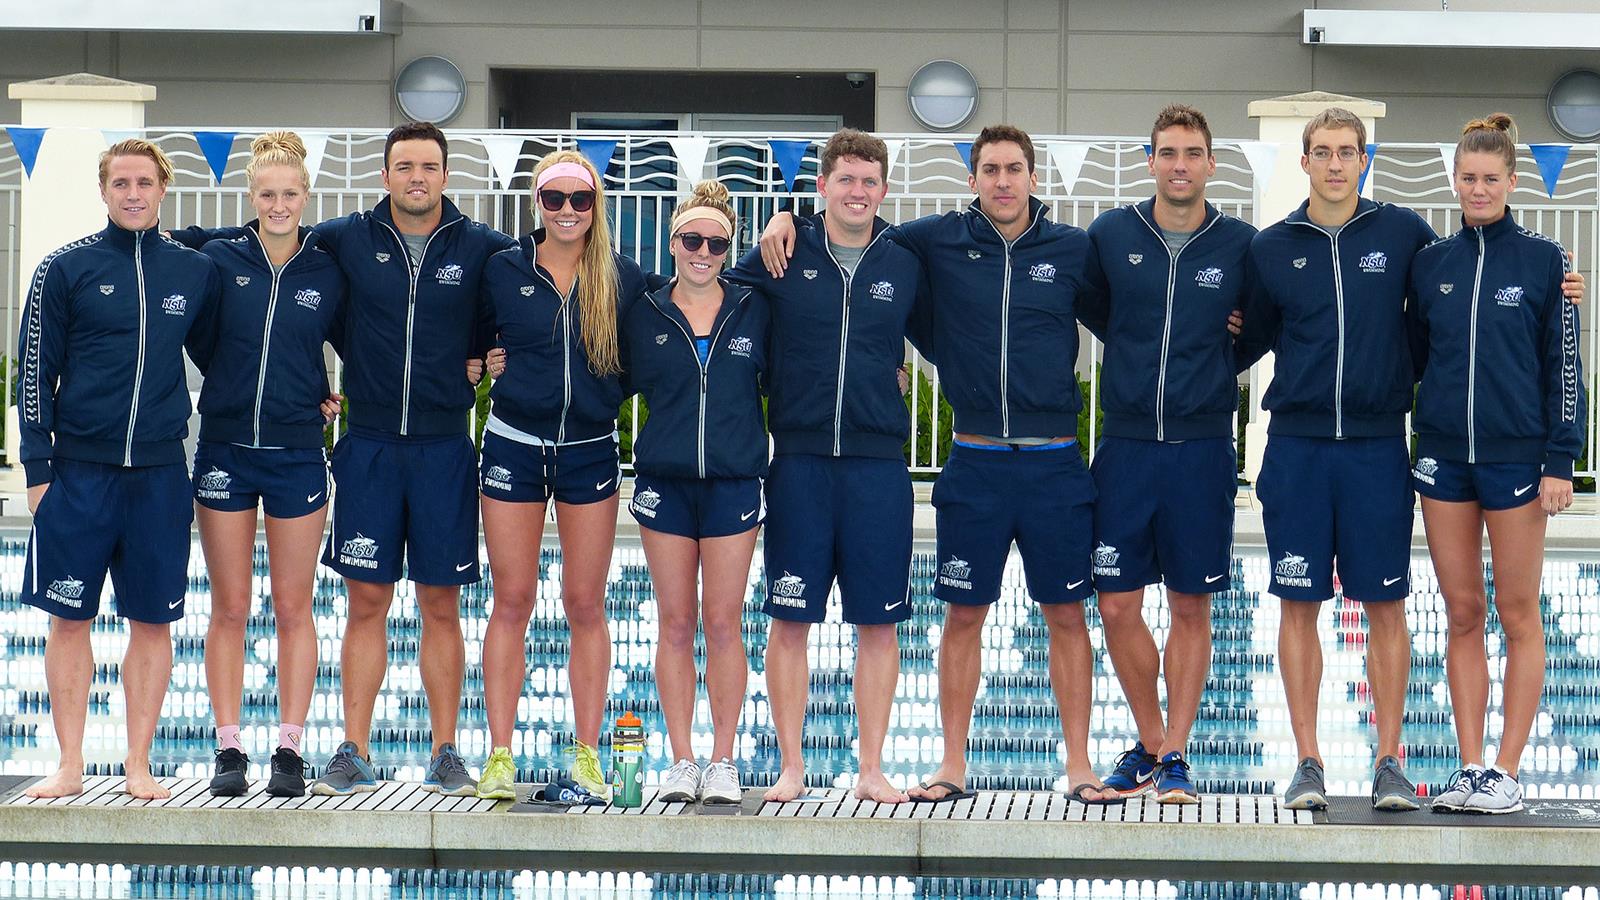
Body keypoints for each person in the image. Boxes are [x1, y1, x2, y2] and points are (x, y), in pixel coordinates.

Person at [760, 124, 1102, 803]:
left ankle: (1081, 766)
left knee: (1066, 614)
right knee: (963, 616)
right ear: (971, 179)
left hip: (1054, 459)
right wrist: (785, 216)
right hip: (973, 459)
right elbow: (849, 228)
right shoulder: (933, 242)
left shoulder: (1073, 250)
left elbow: (1130, 316)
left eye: (1014, 169)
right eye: (990, 170)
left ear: (1034, 177)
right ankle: (950, 764)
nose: (1002, 181)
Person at [166, 122, 508, 797]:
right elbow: (241, 280)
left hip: (442, 445)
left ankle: (446, 750)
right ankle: (352, 748)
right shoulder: (343, 241)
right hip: (369, 444)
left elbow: (523, 296)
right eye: (404, 165)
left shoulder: (480, 247)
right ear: (384, 176)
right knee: (366, 601)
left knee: (441, 604)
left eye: (429, 166)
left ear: (445, 175)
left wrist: (490, 349)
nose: (416, 177)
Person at [731, 128, 929, 804]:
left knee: (878, 623)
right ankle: (793, 768)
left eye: (870, 181)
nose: (858, 192)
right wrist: (777, 219)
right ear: (821, 186)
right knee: (790, 621)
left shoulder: (904, 259)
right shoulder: (782, 252)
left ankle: (871, 768)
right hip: (800, 463)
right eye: (845, 179)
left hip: (877, 467)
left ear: (883, 188)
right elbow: (710, 304)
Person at [18, 139, 219, 800]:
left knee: (152, 623)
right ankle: (71, 763)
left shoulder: (191, 272)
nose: (133, 194)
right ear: (103, 191)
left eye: (144, 183)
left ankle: (139, 763)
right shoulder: (64, 269)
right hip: (78, 472)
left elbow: (231, 352)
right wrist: (39, 467)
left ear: (164, 189)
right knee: (68, 620)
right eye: (120, 183)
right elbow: (32, 373)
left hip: (158, 476)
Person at [1075, 105, 1257, 804]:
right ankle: (1152, 742)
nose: (1180, 164)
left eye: (1193, 153)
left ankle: (1173, 751)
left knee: (1191, 604)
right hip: (1124, 445)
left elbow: (1262, 325)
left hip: (1201, 446)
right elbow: (1098, 310)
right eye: (1168, 152)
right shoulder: (1112, 235)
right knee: (1116, 603)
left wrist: (1215, 361)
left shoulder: (1239, 244)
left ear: (1211, 164)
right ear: (1149, 160)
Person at [1408, 114, 1585, 814]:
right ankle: (1471, 766)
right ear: (1454, 181)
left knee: (1517, 613)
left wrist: (1560, 458)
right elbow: (1413, 356)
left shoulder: (1545, 261)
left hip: (1518, 459)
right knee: (1460, 613)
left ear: (1513, 182)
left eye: (1491, 178)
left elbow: (1563, 366)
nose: (1478, 188)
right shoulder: (1432, 263)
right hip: (1444, 458)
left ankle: (1508, 772)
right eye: (1468, 177)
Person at [473, 150, 646, 801]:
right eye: (555, 199)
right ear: (537, 204)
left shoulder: (623, 279)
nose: (568, 211)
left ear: (596, 206)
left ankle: (587, 755)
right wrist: (480, 364)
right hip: (515, 445)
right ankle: (498, 756)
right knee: (511, 600)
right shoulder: (503, 270)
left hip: (589, 450)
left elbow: (688, 307)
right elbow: (464, 337)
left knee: (584, 603)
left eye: (580, 199)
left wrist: (612, 395)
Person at [191, 132, 347, 798]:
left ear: (305, 196)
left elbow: (367, 339)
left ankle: (288, 749)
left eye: (289, 194)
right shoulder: (219, 258)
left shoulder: (327, 266)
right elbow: (190, 326)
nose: (278, 204)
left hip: (296, 453)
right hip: (225, 447)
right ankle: (230, 749)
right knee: (229, 607)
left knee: (292, 606)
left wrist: (339, 395)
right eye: (266, 194)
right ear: (250, 197)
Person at [621, 180, 769, 804]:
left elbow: (806, 365)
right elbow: (600, 374)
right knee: (676, 624)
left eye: (716, 241)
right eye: (691, 239)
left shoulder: (755, 307)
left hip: (734, 481)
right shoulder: (645, 310)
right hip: (666, 484)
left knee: (725, 622)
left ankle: (724, 759)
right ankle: (683, 760)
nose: (702, 250)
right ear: (673, 242)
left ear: (728, 247)